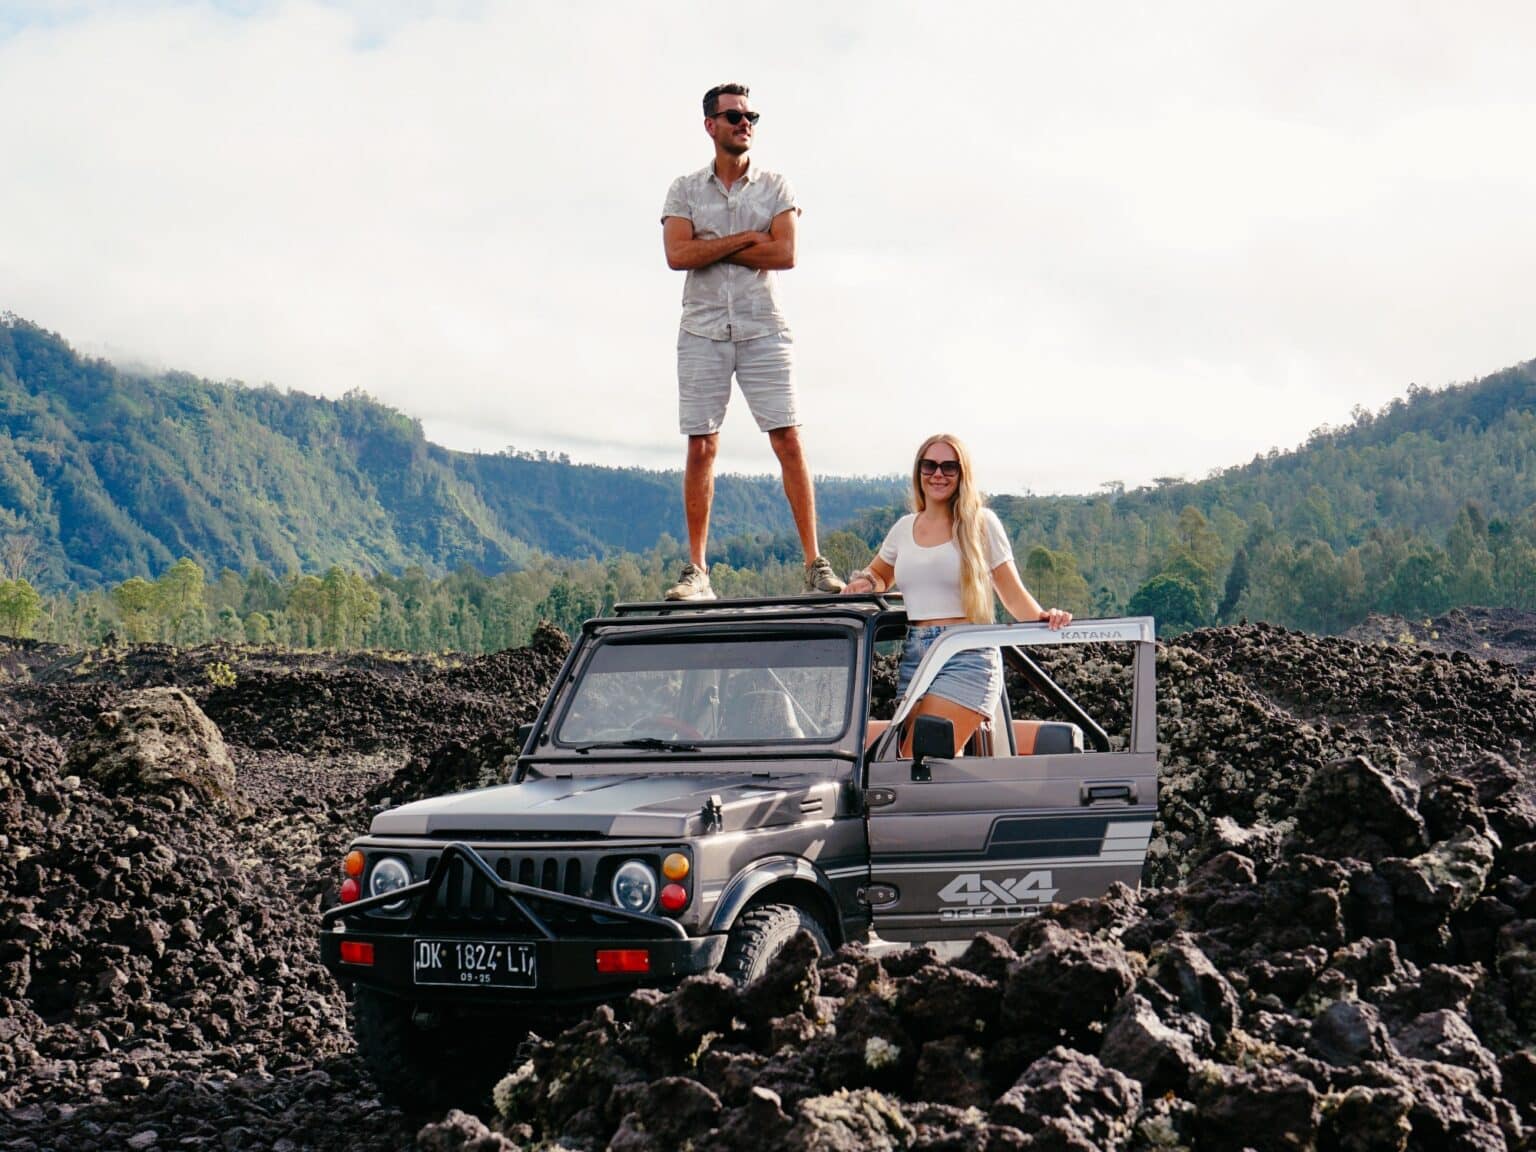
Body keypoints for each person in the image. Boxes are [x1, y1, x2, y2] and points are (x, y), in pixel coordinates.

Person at [659, 82, 843, 602]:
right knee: (702, 445)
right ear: (710, 125)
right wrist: (746, 238)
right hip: (702, 329)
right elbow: (677, 255)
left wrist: (710, 245)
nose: (745, 124)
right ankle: (698, 571)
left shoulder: (776, 186)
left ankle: (814, 564)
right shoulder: (684, 189)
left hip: (764, 327)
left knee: (788, 439)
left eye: (751, 116)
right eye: (735, 116)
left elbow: (784, 254)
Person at [842, 433, 1072, 754]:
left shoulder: (981, 523)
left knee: (916, 757)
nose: (938, 474)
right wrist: (866, 582)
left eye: (949, 467)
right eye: (930, 465)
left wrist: (1044, 617)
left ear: (962, 474)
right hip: (916, 655)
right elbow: (880, 574)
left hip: (966, 653)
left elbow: (1011, 594)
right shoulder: (904, 528)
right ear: (919, 472)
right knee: (920, 765)